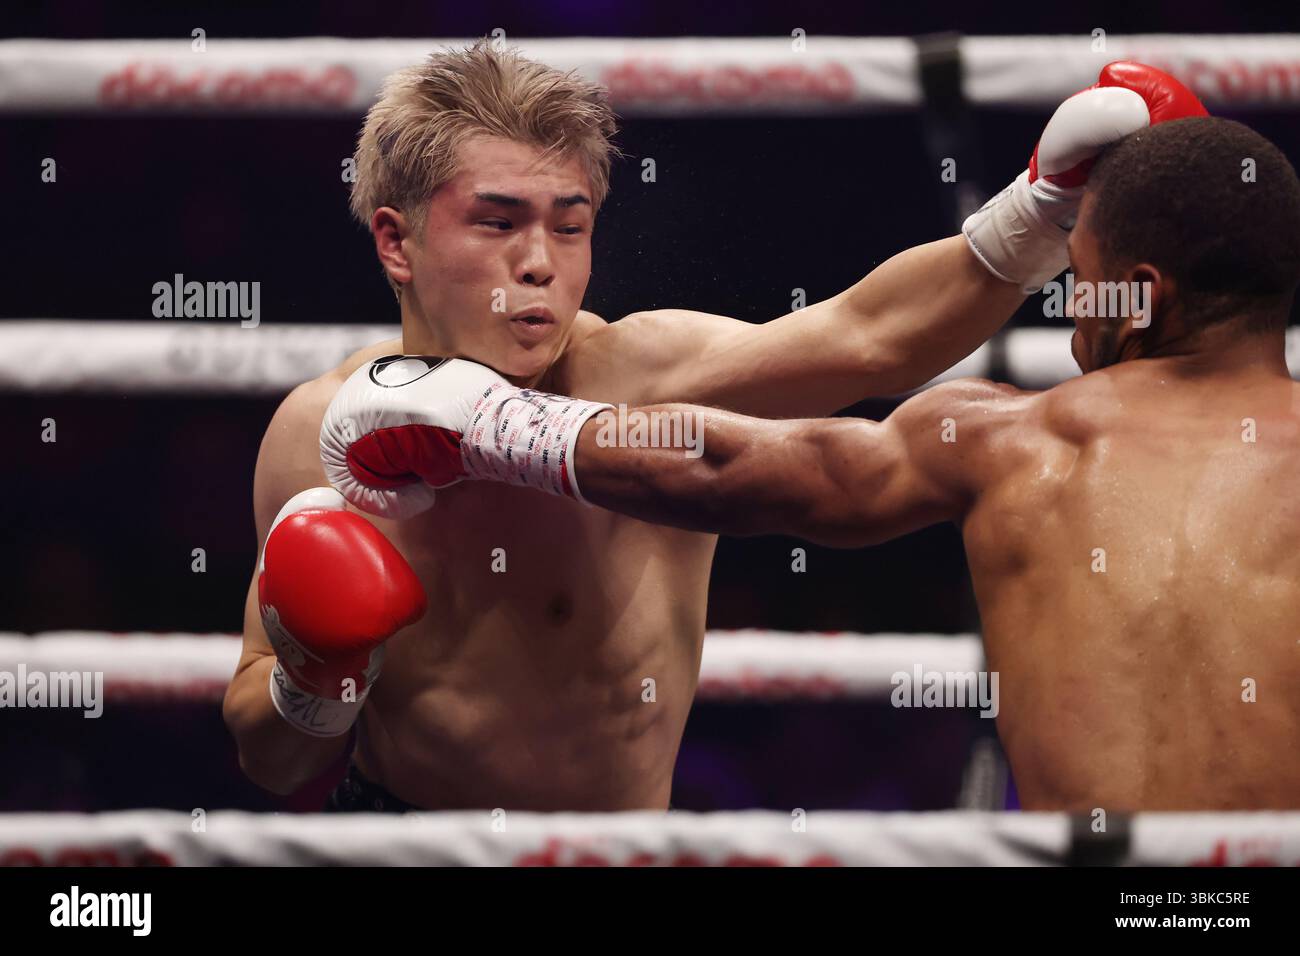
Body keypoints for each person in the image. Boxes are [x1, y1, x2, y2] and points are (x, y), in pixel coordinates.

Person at [224, 41, 1197, 811]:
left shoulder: (640, 373)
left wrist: (1038, 210)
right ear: (396, 239)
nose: (539, 262)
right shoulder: (316, 431)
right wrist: (316, 673)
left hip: (620, 851)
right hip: (401, 844)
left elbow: (870, 337)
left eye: (568, 225)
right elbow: (271, 760)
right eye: (496, 221)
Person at [386, 116, 1300, 811]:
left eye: (1083, 279)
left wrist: (496, 422)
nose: (1073, 323)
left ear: (1139, 296)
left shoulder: (1023, 442)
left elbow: (741, 472)